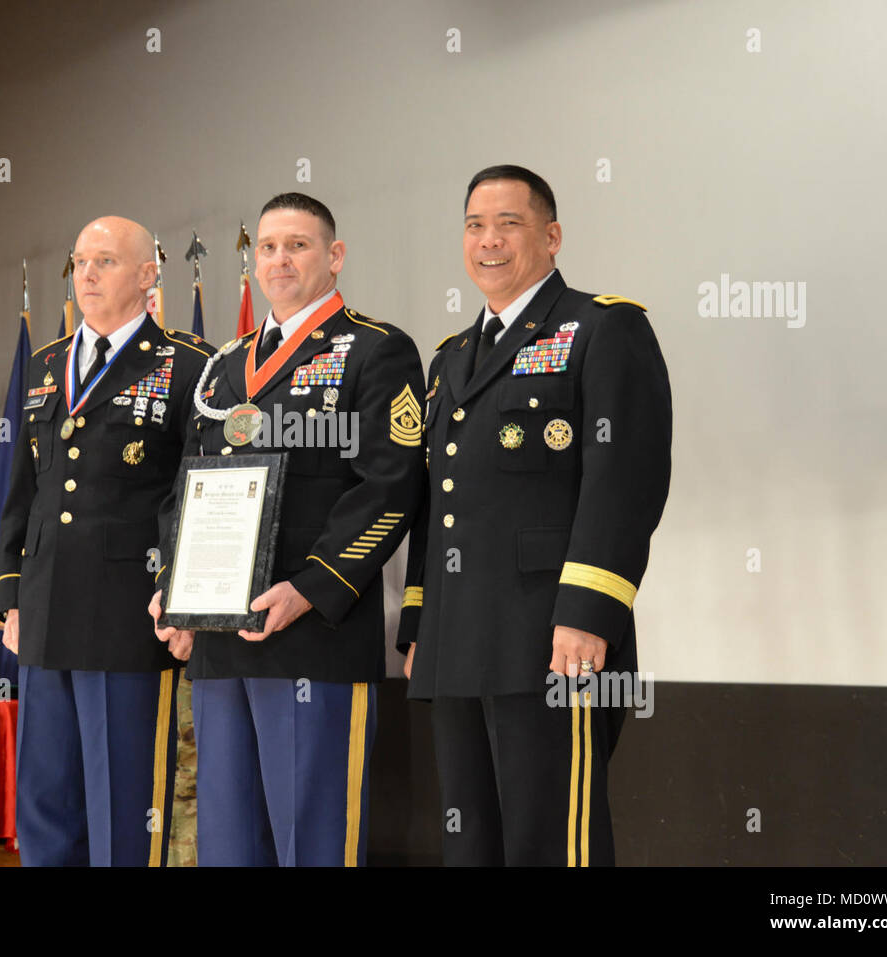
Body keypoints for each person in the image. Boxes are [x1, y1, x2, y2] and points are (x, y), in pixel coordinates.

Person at [397, 166, 672, 866]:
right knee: (472, 844)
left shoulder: (604, 328)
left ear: (550, 237)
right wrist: (421, 624)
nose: (488, 240)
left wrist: (586, 611)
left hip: (550, 638)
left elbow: (625, 482)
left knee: (552, 841)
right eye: (474, 225)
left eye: (508, 224)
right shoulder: (449, 358)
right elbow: (439, 504)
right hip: (459, 641)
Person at [149, 193, 425, 866]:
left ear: (333, 257)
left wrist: (308, 588)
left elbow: (389, 488)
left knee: (314, 841)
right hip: (219, 646)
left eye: (298, 245)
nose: (280, 259)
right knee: (227, 843)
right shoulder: (222, 366)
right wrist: (173, 587)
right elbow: (184, 486)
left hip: (314, 640)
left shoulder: (376, 350)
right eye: (268, 246)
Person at [0, 215, 213, 866]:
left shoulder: (188, 367)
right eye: (80, 262)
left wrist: (183, 596)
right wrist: (11, 595)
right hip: (42, 614)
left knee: (123, 814)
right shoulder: (45, 365)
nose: (87, 274)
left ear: (148, 276)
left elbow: (192, 496)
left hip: (128, 621)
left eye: (106, 261)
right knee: (43, 807)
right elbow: (23, 494)